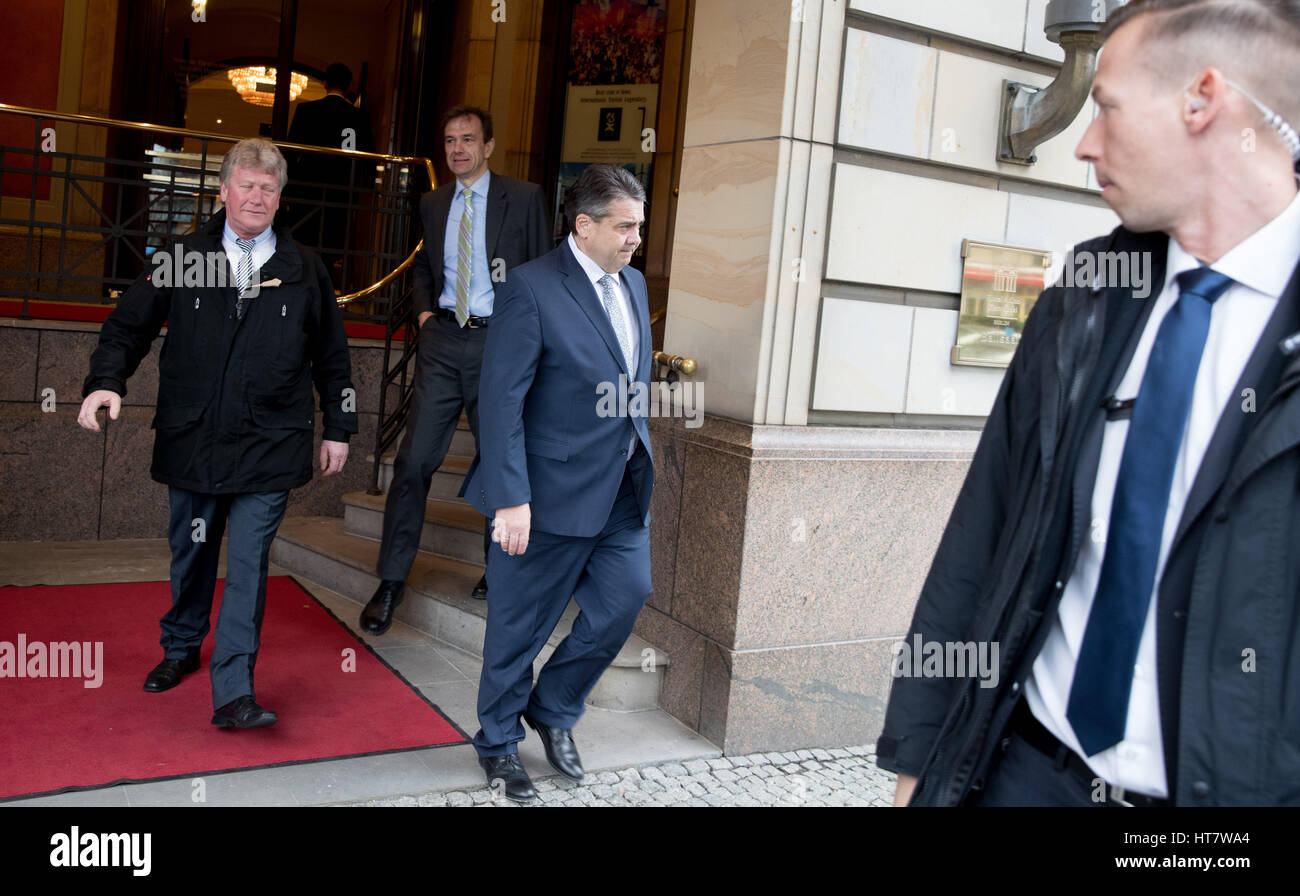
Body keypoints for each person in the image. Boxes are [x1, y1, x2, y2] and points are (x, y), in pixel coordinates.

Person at [879, 0, 1300, 807]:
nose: (1082, 140)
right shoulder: (1086, 293)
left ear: (1202, 99)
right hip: (1024, 776)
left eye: (1105, 105)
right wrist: (919, 763)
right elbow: (980, 541)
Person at [78, 138, 357, 728]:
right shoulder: (182, 255)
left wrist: (340, 425)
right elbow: (127, 327)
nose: (257, 196)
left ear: (281, 198)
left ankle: (234, 692)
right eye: (247, 185)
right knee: (193, 551)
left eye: (269, 187)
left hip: (271, 439)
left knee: (250, 562)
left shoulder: (304, 268)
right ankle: (179, 648)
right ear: (224, 191)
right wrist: (107, 383)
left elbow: (333, 356)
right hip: (195, 434)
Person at [461, 163, 654, 801]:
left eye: (639, 226)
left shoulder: (635, 286)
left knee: (623, 600)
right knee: (519, 626)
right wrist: (511, 498)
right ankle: (496, 744)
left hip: (621, 488)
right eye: (625, 226)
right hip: (543, 496)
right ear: (584, 225)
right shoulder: (530, 289)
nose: (635, 238)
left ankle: (553, 707)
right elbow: (500, 402)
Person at [359, 105, 550, 633]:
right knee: (414, 461)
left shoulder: (525, 198)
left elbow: (540, 270)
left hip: (500, 344)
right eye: (449, 140)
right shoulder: (432, 202)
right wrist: (423, 311)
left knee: (500, 459)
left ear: (489, 146)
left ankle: (500, 569)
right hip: (443, 341)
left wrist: (533, 345)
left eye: (468, 139)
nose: (457, 149)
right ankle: (391, 579)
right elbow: (424, 261)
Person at [285, 62, 375, 285]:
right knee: (331, 246)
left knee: (304, 242)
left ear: (325, 83)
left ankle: (301, 289)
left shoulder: (307, 111)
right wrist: (366, 188)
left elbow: (289, 153)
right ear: (349, 86)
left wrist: (285, 187)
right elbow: (368, 158)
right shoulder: (359, 117)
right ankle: (323, 291)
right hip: (342, 193)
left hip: (307, 191)